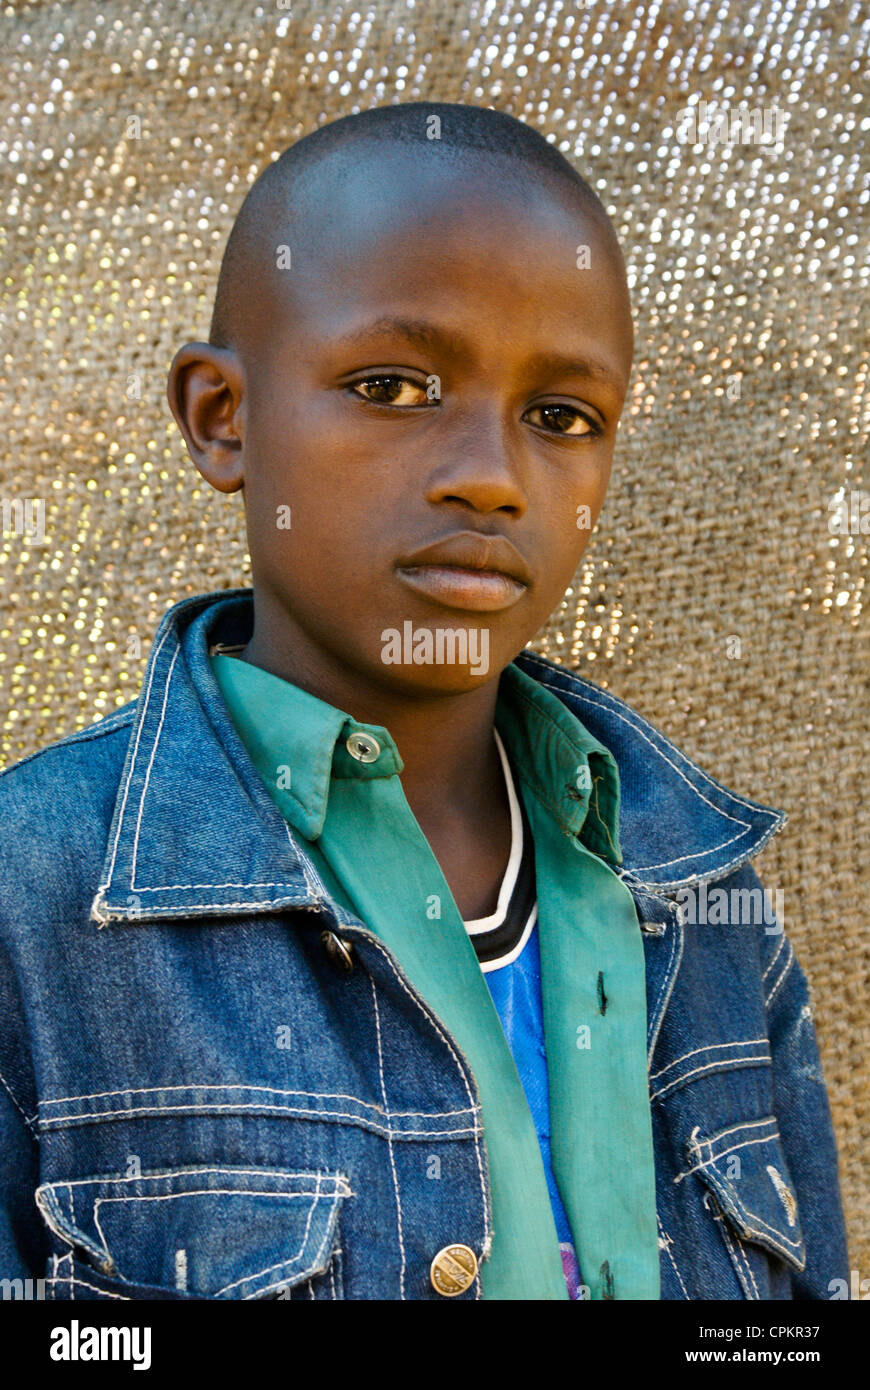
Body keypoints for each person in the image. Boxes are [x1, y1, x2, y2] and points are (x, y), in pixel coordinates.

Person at [0, 102, 848, 1300]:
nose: (492, 476)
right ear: (219, 417)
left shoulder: (694, 887)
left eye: (561, 417)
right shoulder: (36, 900)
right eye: (394, 386)